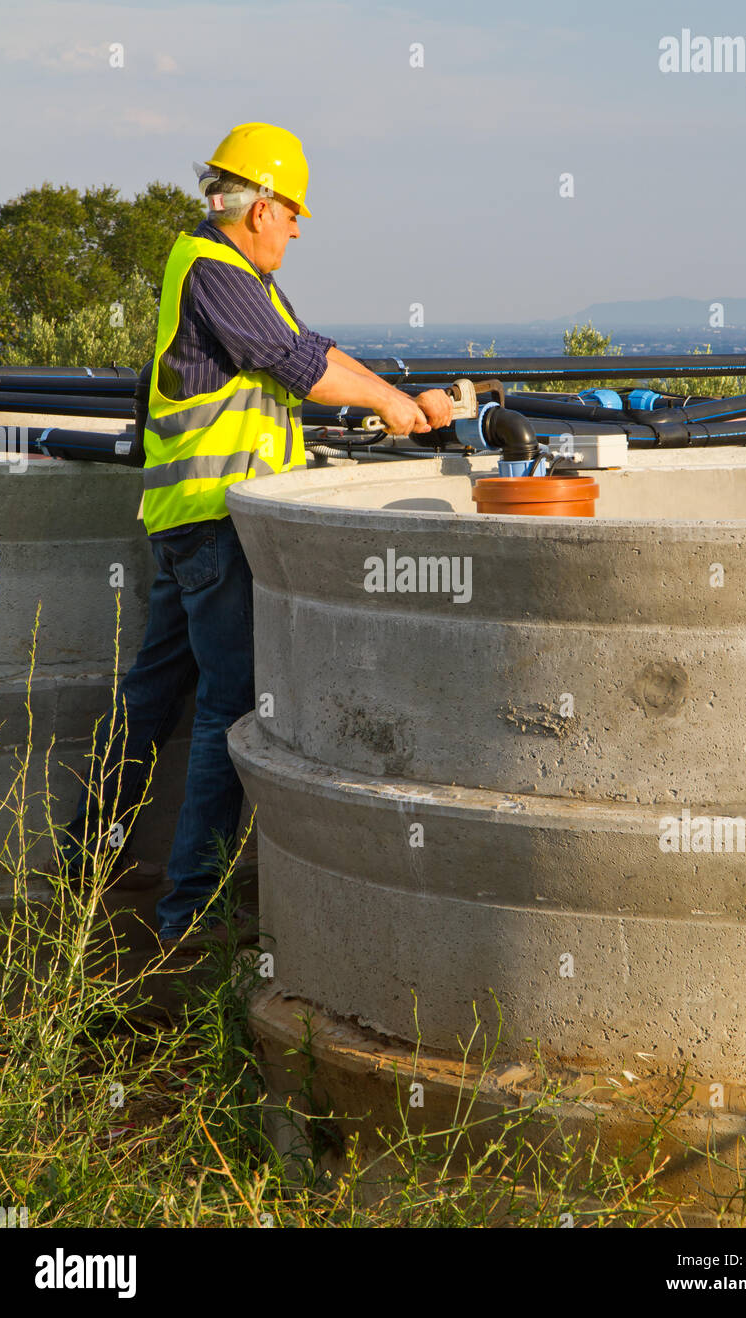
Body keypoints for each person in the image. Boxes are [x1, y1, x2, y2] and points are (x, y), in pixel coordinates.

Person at [50, 122, 453, 950]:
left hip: (189, 519)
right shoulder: (212, 268)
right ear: (260, 205)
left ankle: (91, 865)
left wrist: (401, 396)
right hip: (214, 524)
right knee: (228, 707)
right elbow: (295, 364)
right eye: (294, 211)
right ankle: (187, 913)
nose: (300, 228)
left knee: (157, 695)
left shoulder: (233, 271)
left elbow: (310, 350)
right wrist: (389, 407)